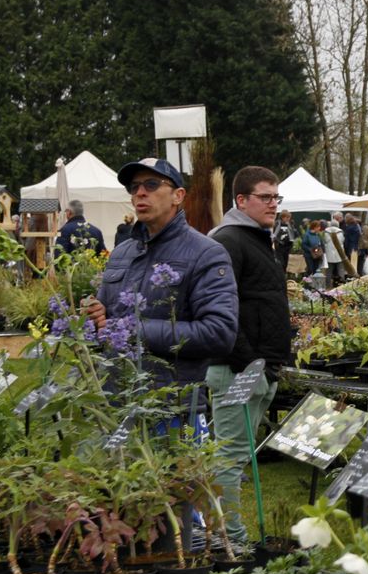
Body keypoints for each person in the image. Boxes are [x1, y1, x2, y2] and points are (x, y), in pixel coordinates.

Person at [83, 157, 237, 415]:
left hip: (171, 408)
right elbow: (107, 320)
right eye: (134, 187)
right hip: (116, 404)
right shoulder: (121, 253)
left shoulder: (206, 253)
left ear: (178, 195)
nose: (140, 193)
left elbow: (219, 333)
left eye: (152, 184)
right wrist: (95, 316)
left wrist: (135, 330)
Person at [206, 166, 290, 545]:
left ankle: (226, 534)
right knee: (229, 456)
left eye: (276, 197)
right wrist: (249, 363)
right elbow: (220, 309)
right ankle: (228, 538)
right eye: (265, 197)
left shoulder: (258, 238)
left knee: (237, 457)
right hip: (238, 370)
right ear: (241, 200)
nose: (273, 204)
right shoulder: (228, 241)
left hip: (260, 368)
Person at [322, 217, 344, 286]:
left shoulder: (326, 232)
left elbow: (324, 241)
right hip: (339, 253)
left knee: (329, 271)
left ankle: (328, 285)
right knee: (340, 270)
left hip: (329, 254)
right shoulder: (340, 232)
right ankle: (341, 284)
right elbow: (342, 241)